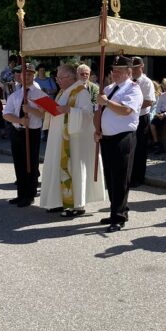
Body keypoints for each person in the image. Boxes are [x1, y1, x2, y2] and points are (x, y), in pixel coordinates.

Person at [40, 64, 106, 217]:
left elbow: (88, 114)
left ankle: (78, 204)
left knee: (74, 168)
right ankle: (58, 201)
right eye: (57, 78)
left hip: (75, 141)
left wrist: (69, 110)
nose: (57, 81)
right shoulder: (64, 91)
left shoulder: (80, 92)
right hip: (59, 136)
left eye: (60, 78)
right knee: (57, 166)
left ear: (71, 77)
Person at [94, 55, 143, 232]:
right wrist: (97, 129)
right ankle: (116, 210)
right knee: (110, 177)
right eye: (113, 70)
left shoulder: (133, 89)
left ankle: (119, 216)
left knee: (121, 177)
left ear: (129, 72)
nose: (114, 73)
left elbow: (126, 110)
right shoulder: (108, 88)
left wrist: (106, 101)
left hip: (123, 137)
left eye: (119, 71)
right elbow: (97, 112)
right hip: (106, 137)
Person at [2, 64, 45, 207]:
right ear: (20, 76)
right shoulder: (16, 94)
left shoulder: (40, 94)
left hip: (32, 133)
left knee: (31, 164)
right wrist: (20, 120)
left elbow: (44, 114)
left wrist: (31, 109)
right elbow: (6, 115)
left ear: (33, 76)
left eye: (29, 74)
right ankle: (20, 194)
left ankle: (30, 194)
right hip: (17, 132)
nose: (26, 77)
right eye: (24, 74)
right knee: (19, 163)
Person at [129, 56, 157, 187]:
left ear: (142, 67)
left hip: (141, 117)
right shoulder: (128, 80)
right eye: (132, 68)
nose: (133, 71)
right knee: (130, 147)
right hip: (129, 117)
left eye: (136, 68)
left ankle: (139, 177)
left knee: (140, 148)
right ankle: (130, 175)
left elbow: (149, 101)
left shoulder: (146, 82)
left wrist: (133, 106)